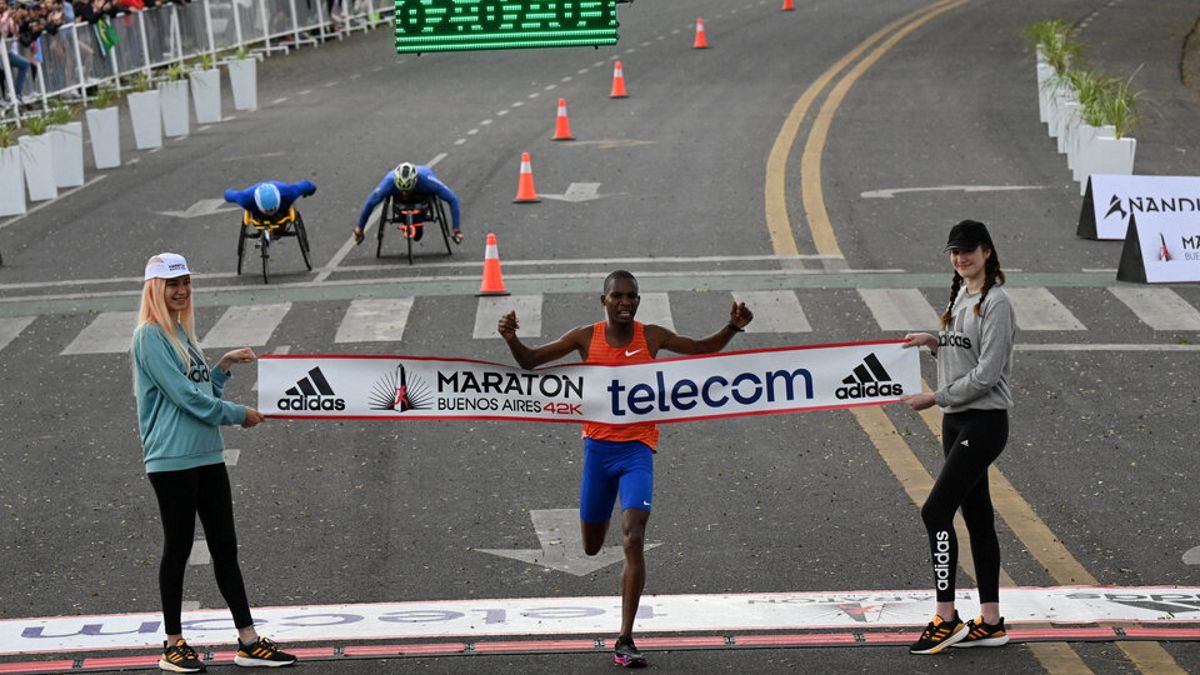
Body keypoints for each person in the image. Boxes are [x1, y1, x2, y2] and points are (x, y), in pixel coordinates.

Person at [497, 270, 753, 668]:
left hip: (636, 452)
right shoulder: (585, 337)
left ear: (638, 300)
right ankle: (621, 621)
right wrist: (512, 338)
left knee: (633, 537)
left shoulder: (651, 336)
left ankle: (625, 638)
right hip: (599, 454)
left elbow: (701, 349)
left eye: (631, 297)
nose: (625, 303)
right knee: (591, 546)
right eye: (617, 296)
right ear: (604, 300)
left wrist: (732, 328)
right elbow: (531, 362)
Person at [132, 253, 296, 673]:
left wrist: (221, 368)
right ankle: (172, 644)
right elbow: (187, 400)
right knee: (179, 547)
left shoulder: (182, 335)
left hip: (205, 455)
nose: (182, 290)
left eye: (186, 281)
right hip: (171, 460)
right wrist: (239, 414)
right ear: (154, 288)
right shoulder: (149, 336)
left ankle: (248, 641)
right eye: (172, 284)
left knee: (225, 547)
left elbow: (199, 389)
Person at [899, 220, 1017, 655]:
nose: (960, 258)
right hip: (956, 422)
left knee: (935, 512)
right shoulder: (961, 295)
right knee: (978, 518)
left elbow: (987, 373)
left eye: (968, 251)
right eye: (954, 252)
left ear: (987, 252)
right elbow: (961, 352)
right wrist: (934, 343)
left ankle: (946, 618)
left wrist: (936, 397)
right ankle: (990, 622)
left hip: (983, 423)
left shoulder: (997, 303)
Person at [352, 161, 462, 245]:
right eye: (402, 190)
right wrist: (360, 228)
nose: (405, 193)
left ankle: (417, 218)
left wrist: (456, 229)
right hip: (398, 199)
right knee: (377, 198)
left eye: (408, 190)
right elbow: (370, 203)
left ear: (415, 181)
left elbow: (452, 199)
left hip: (422, 193)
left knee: (430, 197)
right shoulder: (388, 182)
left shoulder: (427, 180)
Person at [223, 180, 316, 226]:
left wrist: (310, 191)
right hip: (253, 199)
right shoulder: (245, 199)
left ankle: (279, 213)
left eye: (273, 210)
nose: (271, 213)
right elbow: (229, 194)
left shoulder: (288, 193)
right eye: (267, 211)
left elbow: (307, 185)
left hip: (281, 193)